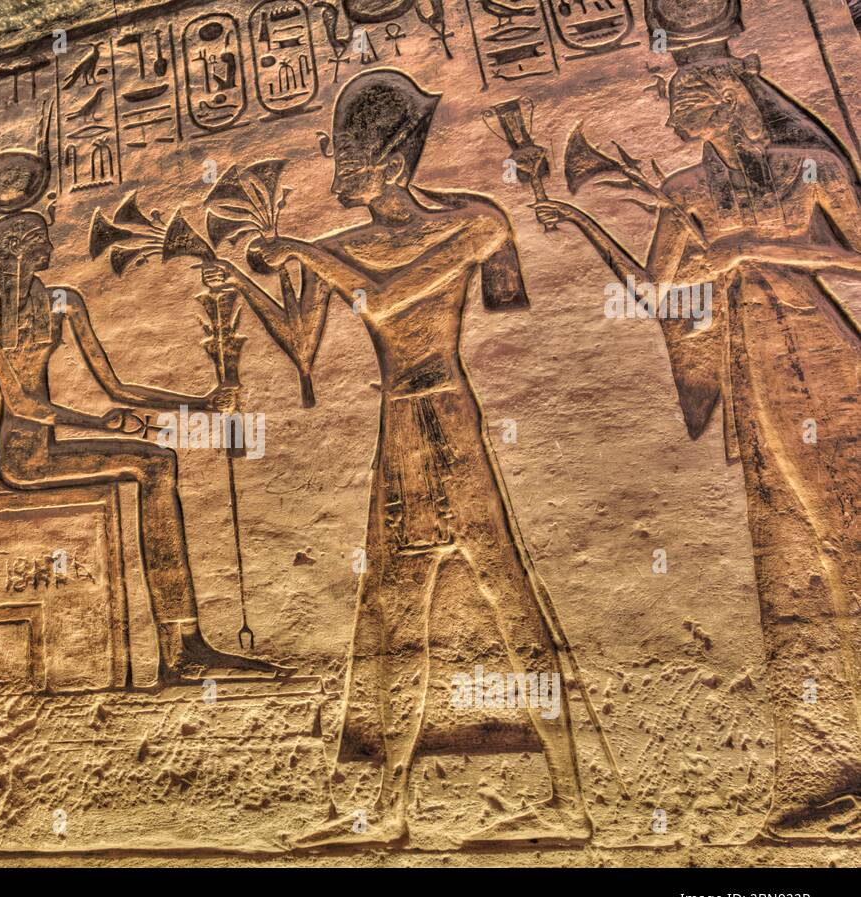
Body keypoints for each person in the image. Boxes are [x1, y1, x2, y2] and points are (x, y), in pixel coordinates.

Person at [204, 69, 591, 844]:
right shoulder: (335, 247)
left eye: (345, 161)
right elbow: (303, 348)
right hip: (397, 430)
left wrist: (309, 254)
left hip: (447, 415)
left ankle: (568, 798)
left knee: (507, 597)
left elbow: (403, 295)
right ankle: (386, 809)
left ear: (382, 165)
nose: (334, 173)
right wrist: (241, 290)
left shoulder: (471, 222)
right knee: (392, 615)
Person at [535, 53, 861, 837]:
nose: (673, 105)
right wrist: (583, 221)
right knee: (802, 554)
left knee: (844, 542)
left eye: (686, 92)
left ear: (730, 98)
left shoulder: (805, 164)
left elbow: (855, 255)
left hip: (819, 349)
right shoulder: (683, 192)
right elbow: (656, 294)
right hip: (749, 366)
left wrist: (752, 248)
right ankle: (835, 768)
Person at [0, 211, 283, 682]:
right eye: (41, 241)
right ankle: (181, 651)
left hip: (51, 446)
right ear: (18, 251)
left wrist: (200, 404)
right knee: (152, 465)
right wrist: (93, 422)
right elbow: (23, 404)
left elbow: (117, 388)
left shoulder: (62, 302)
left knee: (158, 462)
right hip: (21, 459)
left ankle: (183, 645)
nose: (51, 249)